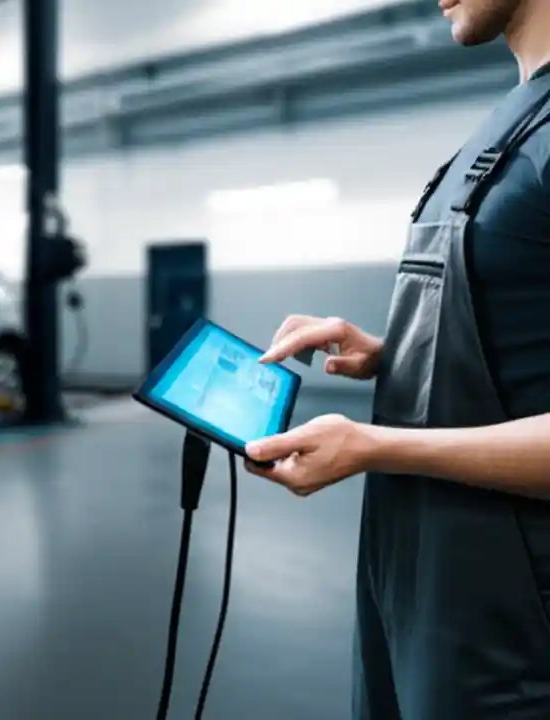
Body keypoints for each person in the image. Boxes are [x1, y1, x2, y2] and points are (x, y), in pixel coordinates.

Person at [244, 1, 550, 717]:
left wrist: (374, 443)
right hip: (419, 583)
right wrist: (393, 356)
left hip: (513, 624)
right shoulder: (514, 118)